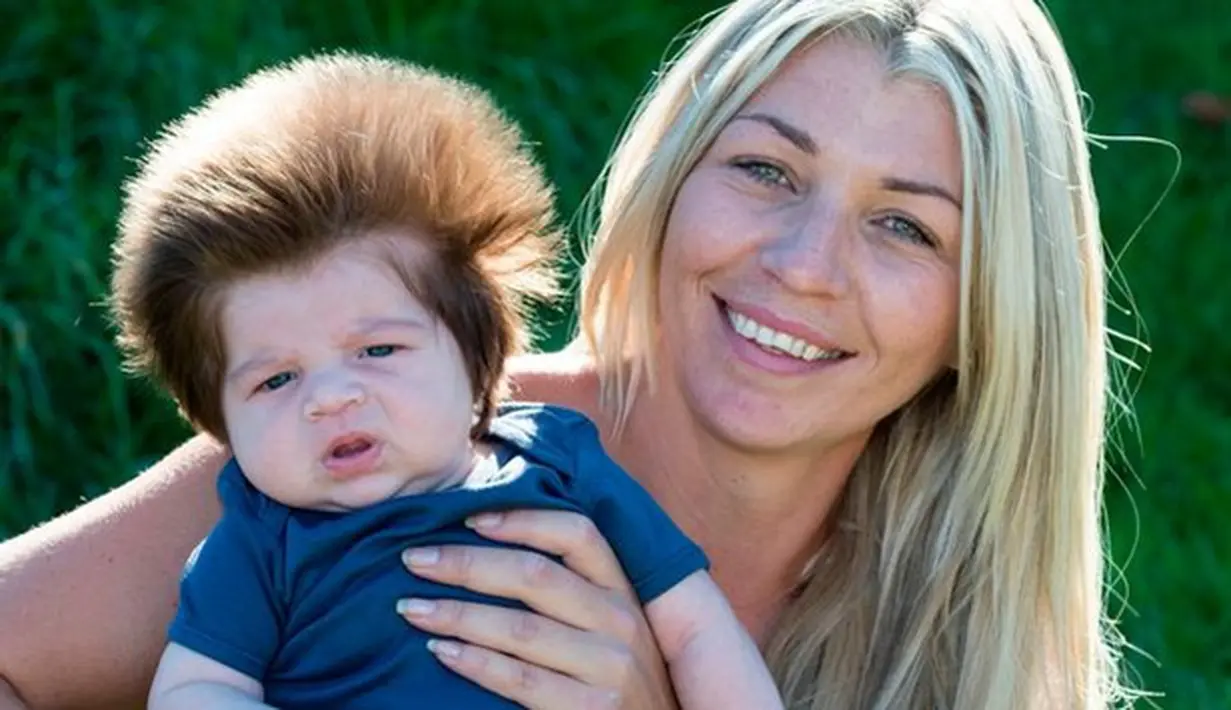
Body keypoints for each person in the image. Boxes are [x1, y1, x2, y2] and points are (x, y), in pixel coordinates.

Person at [0, 0, 1138, 708]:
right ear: (668, 180)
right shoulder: (361, 447)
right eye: (765, 171)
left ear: (987, 316)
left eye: (905, 226)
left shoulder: (959, 621)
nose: (804, 264)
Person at [104, 52, 782, 710]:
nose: (332, 397)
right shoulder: (264, 541)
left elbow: (695, 628)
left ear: (479, 356)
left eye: (376, 349)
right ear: (214, 421)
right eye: (277, 380)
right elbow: (194, 689)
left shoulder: (562, 464)